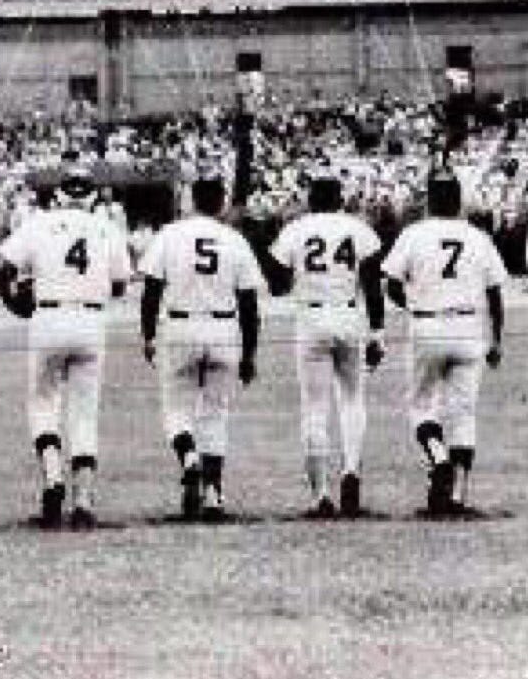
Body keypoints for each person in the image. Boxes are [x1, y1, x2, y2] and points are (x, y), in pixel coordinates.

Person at [0, 166, 131, 529]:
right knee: (84, 413)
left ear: (58, 195)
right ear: (91, 196)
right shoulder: (107, 227)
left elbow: (1, 269)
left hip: (48, 317)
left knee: (42, 403)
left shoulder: (40, 223)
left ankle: (53, 477)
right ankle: (83, 500)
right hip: (90, 320)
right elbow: (120, 286)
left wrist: (16, 304)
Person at [379, 170, 507, 517]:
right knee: (464, 414)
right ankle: (459, 496)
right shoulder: (477, 237)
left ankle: (438, 457)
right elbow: (495, 293)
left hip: (428, 324)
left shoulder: (414, 234)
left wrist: (416, 305)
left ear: (430, 200)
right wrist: (496, 340)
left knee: (422, 406)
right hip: (469, 326)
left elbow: (389, 283)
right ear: (459, 199)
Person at [139, 173, 265, 521]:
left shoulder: (170, 234)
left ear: (193, 200)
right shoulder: (234, 239)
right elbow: (250, 302)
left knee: (175, 408)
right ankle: (213, 493)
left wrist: (147, 334)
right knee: (215, 413)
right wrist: (250, 353)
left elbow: (150, 290)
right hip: (223, 326)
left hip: (179, 324)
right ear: (221, 202)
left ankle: (188, 458)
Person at [267, 174, 385, 518]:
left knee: (315, 406)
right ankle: (351, 470)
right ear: (340, 198)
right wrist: (377, 332)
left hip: (312, 316)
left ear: (311, 199)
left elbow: (276, 283)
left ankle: (321, 494)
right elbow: (372, 285)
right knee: (352, 399)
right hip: (348, 314)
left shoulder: (296, 229)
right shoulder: (357, 228)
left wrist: (297, 277)